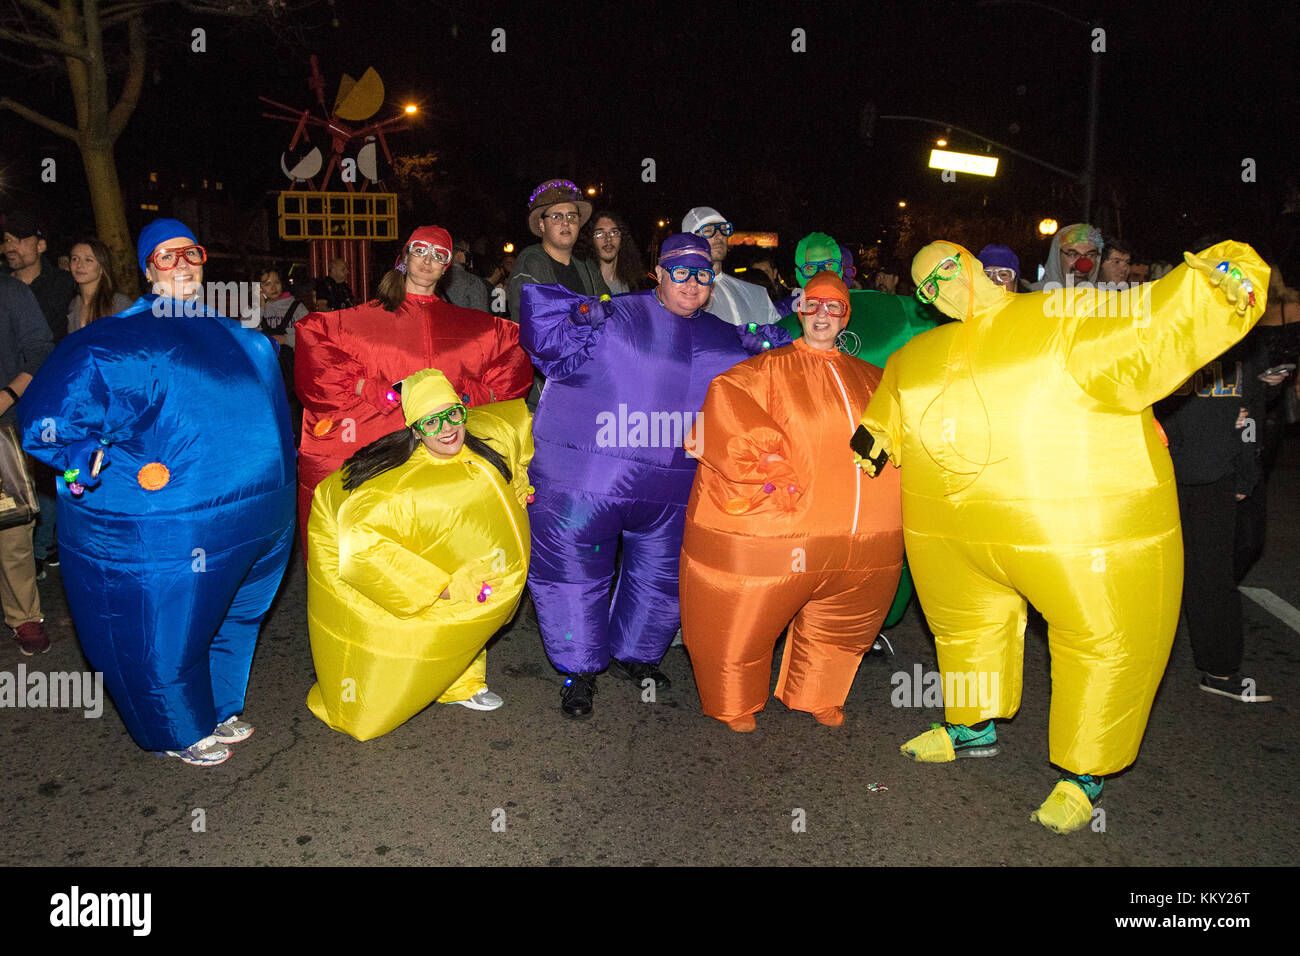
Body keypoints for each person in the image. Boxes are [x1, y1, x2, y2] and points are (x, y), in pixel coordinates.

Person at [853, 238, 1267, 833]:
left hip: (1076, 533)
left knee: (1103, 639)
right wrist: (869, 444)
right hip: (957, 536)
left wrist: (1215, 286)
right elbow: (888, 411)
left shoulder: (1060, 316)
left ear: (969, 263)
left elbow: (1150, 326)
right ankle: (971, 724)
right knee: (965, 627)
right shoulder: (917, 354)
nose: (938, 288)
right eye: (924, 286)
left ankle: (1084, 774)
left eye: (944, 269)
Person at [20, 217, 297, 767]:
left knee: (233, 617)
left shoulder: (245, 341)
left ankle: (217, 706)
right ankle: (177, 727)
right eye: (166, 257)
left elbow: (275, 422)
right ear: (148, 270)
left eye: (190, 253)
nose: (181, 265)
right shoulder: (114, 341)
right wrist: (76, 459)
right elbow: (46, 419)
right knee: (167, 626)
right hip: (168, 524)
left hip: (255, 519)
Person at [518, 234, 775, 719]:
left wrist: (773, 342)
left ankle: (635, 655)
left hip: (675, 491)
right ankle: (579, 671)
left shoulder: (725, 337)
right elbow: (543, 338)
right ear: (658, 273)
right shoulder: (614, 314)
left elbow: (771, 380)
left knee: (661, 577)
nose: (692, 284)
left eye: (702, 274)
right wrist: (578, 317)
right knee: (574, 573)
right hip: (589, 481)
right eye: (680, 272)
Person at [681, 273, 903, 731]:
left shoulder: (876, 380)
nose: (823, 314)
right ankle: (733, 701)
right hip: (786, 532)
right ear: (799, 310)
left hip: (862, 544)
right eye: (814, 305)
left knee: (843, 625)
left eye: (834, 307)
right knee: (744, 621)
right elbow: (723, 406)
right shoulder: (763, 370)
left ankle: (817, 691)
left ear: (846, 318)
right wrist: (767, 468)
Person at [306, 368, 534, 740]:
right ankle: (415, 687)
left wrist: (518, 479)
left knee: (470, 617)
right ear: (414, 430)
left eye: (453, 414)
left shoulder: (484, 438)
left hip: (468, 555)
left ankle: (461, 682)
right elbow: (362, 552)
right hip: (406, 567)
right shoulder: (398, 491)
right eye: (431, 422)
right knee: (442, 619)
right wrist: (443, 589)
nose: (447, 429)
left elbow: (515, 427)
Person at [294, 226, 533, 545]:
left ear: (447, 267)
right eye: (420, 250)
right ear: (405, 255)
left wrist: (478, 394)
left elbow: (516, 347)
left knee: (434, 545)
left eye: (439, 255)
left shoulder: (471, 327)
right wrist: (363, 386)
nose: (428, 260)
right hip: (377, 449)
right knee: (375, 547)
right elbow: (312, 337)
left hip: (442, 455)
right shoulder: (359, 321)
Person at [1158, 333, 1272, 701]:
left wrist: (1245, 472)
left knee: (1213, 577)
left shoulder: (1246, 350)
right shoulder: (1170, 340)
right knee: (1150, 577)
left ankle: (1219, 671)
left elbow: (1252, 413)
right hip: (1159, 478)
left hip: (1216, 480)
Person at [1, 271, 53, 656]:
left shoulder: (9, 290)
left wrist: (7, 396)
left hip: (3, 426)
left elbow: (39, 348)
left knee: (12, 528)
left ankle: (25, 617)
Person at [507, 179, 609, 320]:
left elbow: (608, 306)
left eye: (572, 217)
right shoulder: (530, 263)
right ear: (542, 224)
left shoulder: (587, 266)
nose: (566, 223)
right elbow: (532, 324)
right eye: (556, 217)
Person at [681, 206, 781, 327]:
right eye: (708, 230)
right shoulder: (681, 295)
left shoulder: (756, 294)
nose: (718, 236)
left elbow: (778, 338)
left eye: (723, 229)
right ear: (690, 240)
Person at [3, 209, 78, 345]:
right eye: (7, 239)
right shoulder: (3, 286)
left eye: (19, 240)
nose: (10, 247)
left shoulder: (65, 285)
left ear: (40, 246)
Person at [66, 238, 131, 335]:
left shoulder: (119, 303)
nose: (79, 265)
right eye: (75, 259)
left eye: (88, 260)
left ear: (102, 268)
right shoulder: (73, 305)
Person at [585, 210, 647, 294]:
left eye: (614, 232)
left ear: (622, 239)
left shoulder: (634, 286)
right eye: (600, 234)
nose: (608, 239)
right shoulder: (585, 284)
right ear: (591, 240)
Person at [1031, 222, 1103, 290]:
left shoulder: (1107, 299)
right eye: (1073, 254)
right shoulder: (1031, 296)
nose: (1082, 265)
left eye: (1090, 255)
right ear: (1056, 257)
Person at [445, 239, 490, 311]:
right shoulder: (472, 282)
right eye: (467, 252)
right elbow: (480, 316)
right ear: (459, 254)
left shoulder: (435, 277)